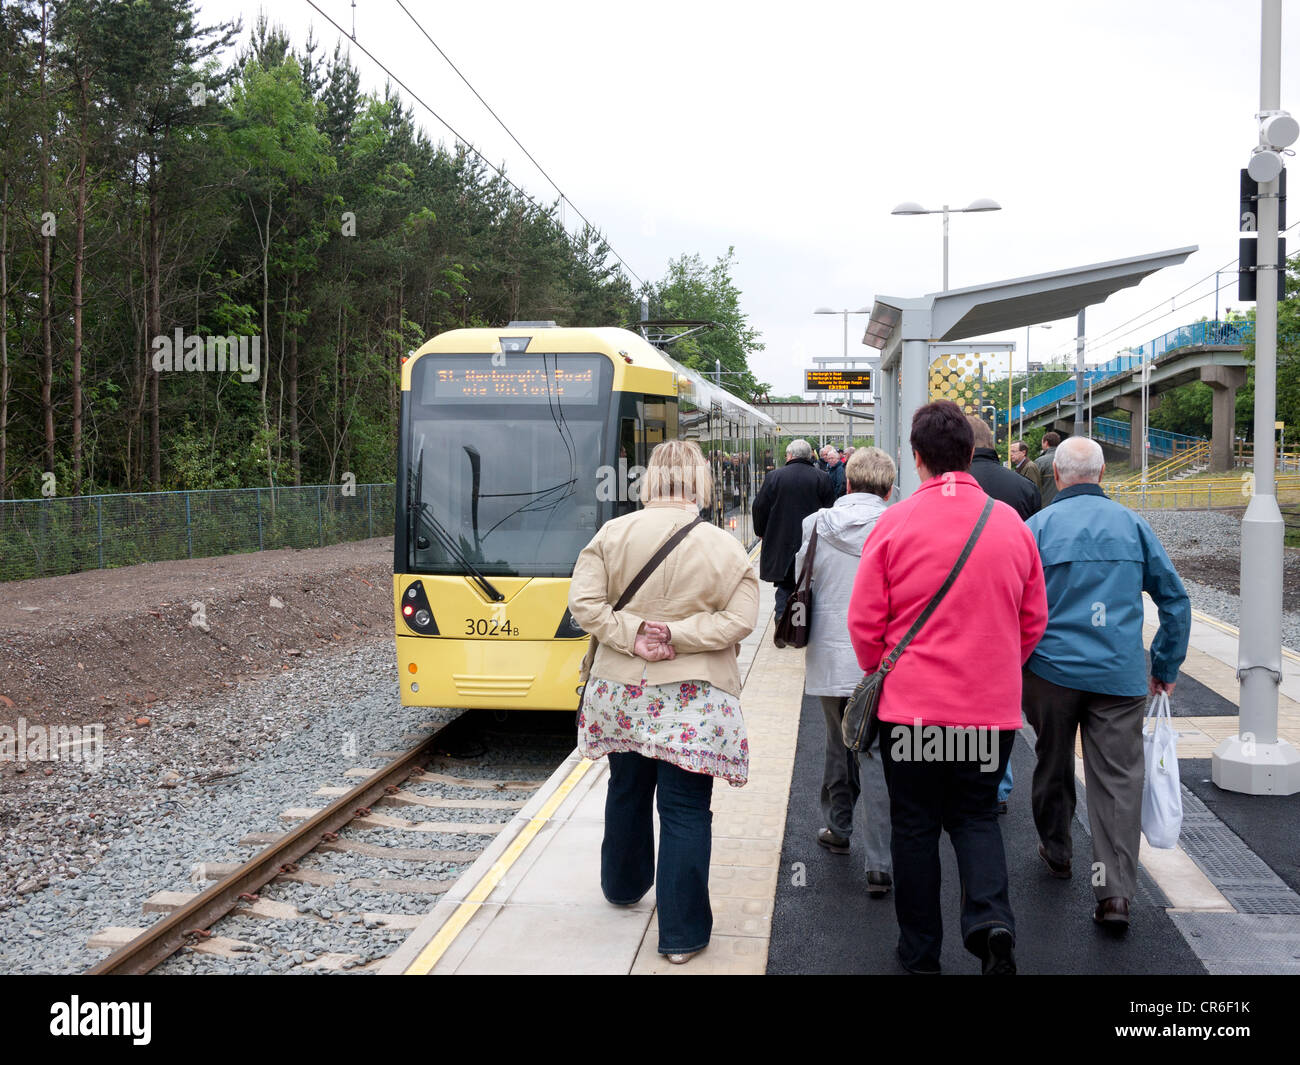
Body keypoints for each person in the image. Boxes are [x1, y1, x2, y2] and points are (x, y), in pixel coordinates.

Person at [848, 400, 1047, 976]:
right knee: (976, 817)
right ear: (969, 452)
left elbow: (865, 623)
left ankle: (919, 952)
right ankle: (991, 923)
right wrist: (998, 666)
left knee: (914, 826)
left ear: (917, 459)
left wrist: (879, 671)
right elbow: (1033, 619)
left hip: (912, 713)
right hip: (988, 715)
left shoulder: (895, 523)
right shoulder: (1010, 525)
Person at [568, 439, 759, 966]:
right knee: (685, 808)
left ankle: (624, 886)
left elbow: (584, 603)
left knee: (627, 787)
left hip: (620, 691)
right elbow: (740, 620)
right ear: (699, 481)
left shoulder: (612, 533)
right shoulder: (724, 546)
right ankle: (682, 935)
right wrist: (680, 636)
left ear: (650, 481)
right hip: (695, 696)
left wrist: (632, 633)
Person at [1023, 436, 1190, 931]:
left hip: (1050, 673)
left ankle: (1057, 851)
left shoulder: (1036, 528)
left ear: (1055, 476)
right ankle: (1113, 892)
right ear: (1101, 475)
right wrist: (1164, 665)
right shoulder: (1133, 526)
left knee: (1051, 761)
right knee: (1118, 780)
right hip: (1117, 676)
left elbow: (1011, 600)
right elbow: (1174, 600)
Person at [794, 446, 896, 896]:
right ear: (889, 487)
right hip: (882, 661)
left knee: (838, 743)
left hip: (831, 656)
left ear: (848, 483)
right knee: (874, 752)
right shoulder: (899, 524)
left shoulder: (815, 524)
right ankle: (880, 861)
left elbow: (802, 577)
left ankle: (838, 828)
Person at [964, 416, 1041, 817]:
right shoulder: (1024, 488)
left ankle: (956, 776)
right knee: (997, 705)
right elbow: (1035, 564)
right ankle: (998, 785)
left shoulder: (951, 488)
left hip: (958, 612)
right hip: (1006, 612)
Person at [752, 439, 833, 619]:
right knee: (804, 585)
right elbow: (829, 511)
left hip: (780, 541)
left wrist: (761, 531)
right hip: (811, 541)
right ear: (810, 456)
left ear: (789, 455)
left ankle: (781, 619)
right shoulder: (822, 477)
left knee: (785, 584)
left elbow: (759, 507)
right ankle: (798, 626)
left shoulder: (774, 477)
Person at [967, 417, 1040, 523]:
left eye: (1014, 451)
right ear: (991, 443)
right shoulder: (1027, 487)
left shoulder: (947, 485)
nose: (1011, 454)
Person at [1035, 432, 1061, 505]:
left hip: (1046, 505)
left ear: (1046, 443)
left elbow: (1033, 485)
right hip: (1065, 504)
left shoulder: (1040, 461)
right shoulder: (1067, 459)